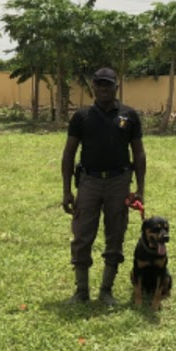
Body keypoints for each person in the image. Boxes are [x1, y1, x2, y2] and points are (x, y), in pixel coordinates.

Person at [61, 67, 146, 305]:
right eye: (99, 84)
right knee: (82, 235)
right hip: (89, 182)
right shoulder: (81, 117)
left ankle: (106, 291)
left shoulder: (129, 115)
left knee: (116, 233)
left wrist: (140, 189)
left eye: (107, 84)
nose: (103, 89)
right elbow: (69, 153)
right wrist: (67, 190)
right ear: (93, 87)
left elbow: (138, 154)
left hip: (119, 182)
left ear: (115, 87)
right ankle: (81, 291)